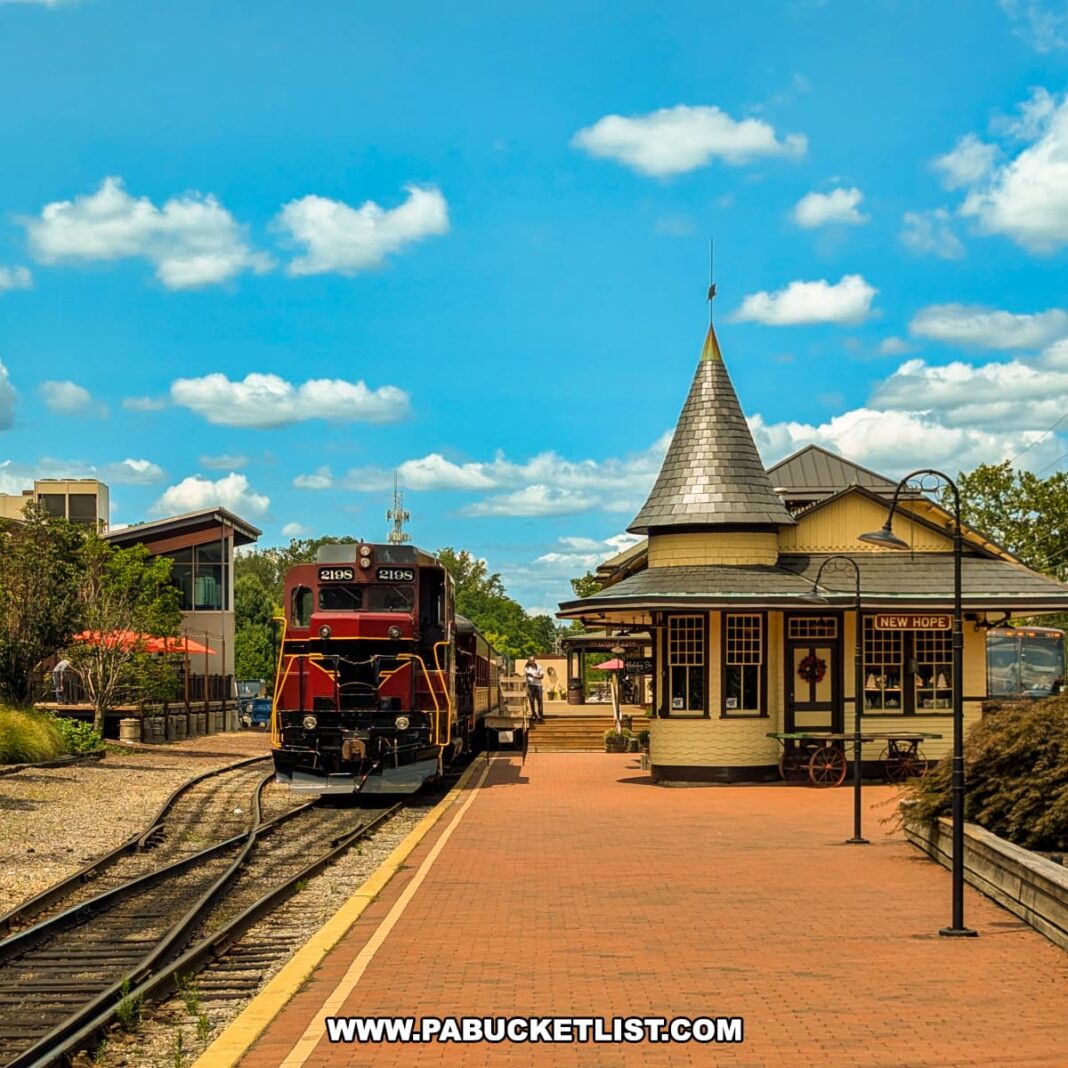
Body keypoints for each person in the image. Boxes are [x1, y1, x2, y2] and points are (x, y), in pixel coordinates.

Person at [524, 655, 545, 722]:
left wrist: (534, 676)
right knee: (531, 700)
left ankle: (540, 715)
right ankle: (533, 714)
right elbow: (526, 675)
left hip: (538, 685)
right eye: (530, 661)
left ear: (534, 660)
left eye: (533, 660)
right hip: (530, 685)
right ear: (529, 661)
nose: (532, 662)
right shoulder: (527, 668)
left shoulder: (539, 667)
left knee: (540, 700)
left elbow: (541, 676)